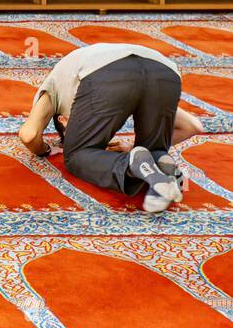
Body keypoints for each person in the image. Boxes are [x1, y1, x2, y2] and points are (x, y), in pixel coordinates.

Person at [18, 42, 205, 212]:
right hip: (165, 72)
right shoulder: (80, 72)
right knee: (152, 147)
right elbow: (193, 126)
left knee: (77, 155)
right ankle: (158, 159)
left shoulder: (54, 89)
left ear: (64, 120)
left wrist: (46, 149)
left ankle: (133, 164)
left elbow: (29, 135)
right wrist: (135, 148)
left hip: (108, 74)